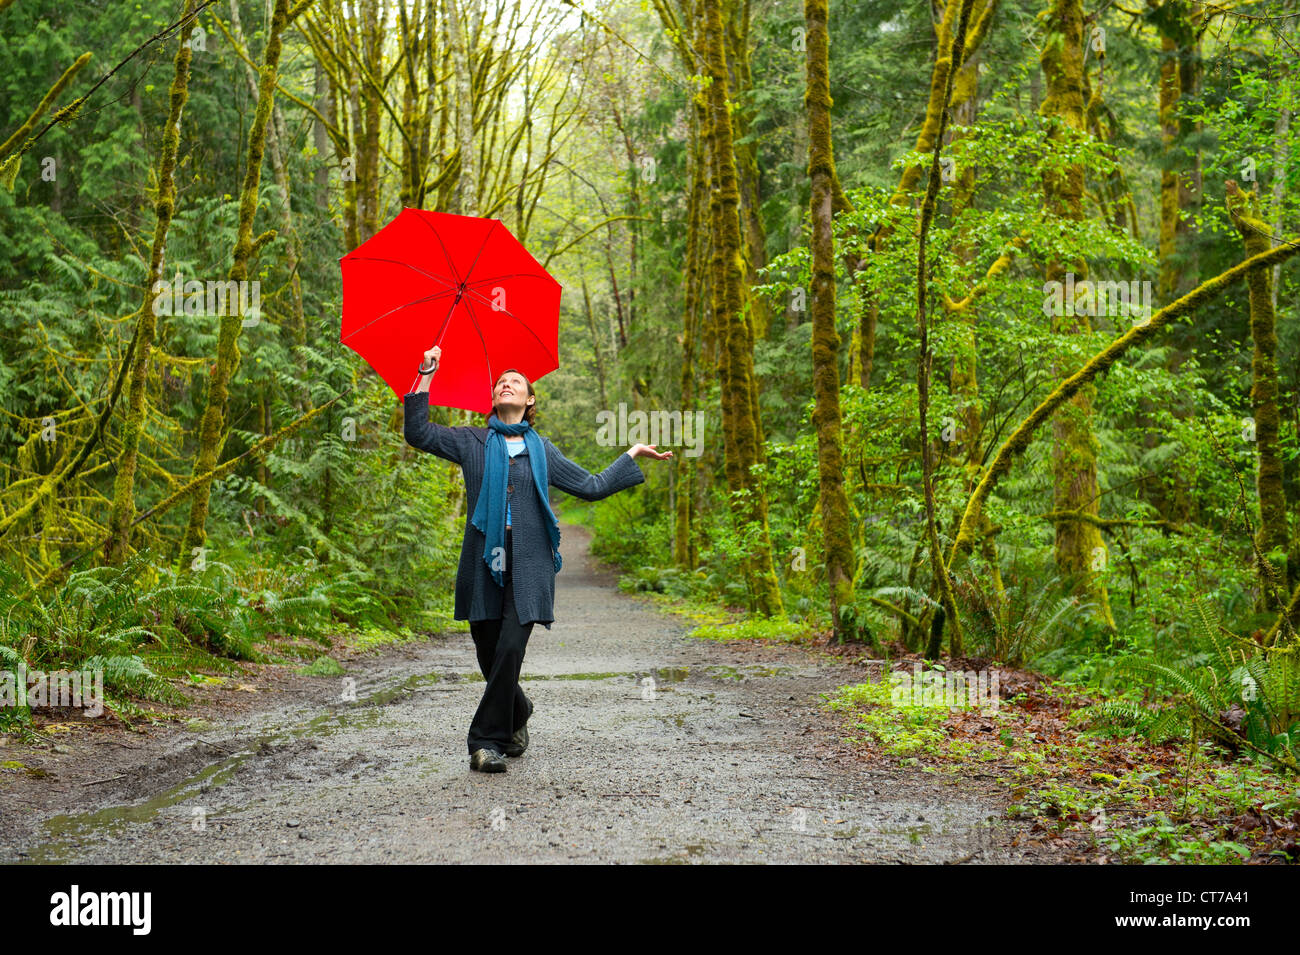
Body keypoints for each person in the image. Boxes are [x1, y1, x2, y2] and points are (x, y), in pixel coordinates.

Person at [403, 345, 673, 773]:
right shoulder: (471, 441)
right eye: (498, 383)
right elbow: (418, 434)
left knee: (511, 646)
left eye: (514, 382)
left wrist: (632, 455)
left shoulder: (542, 450)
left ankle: (485, 742)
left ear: (529, 400)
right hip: (483, 559)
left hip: (530, 562)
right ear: (492, 400)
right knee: (489, 653)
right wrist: (426, 373)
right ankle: (519, 708)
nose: (504, 384)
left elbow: (591, 485)